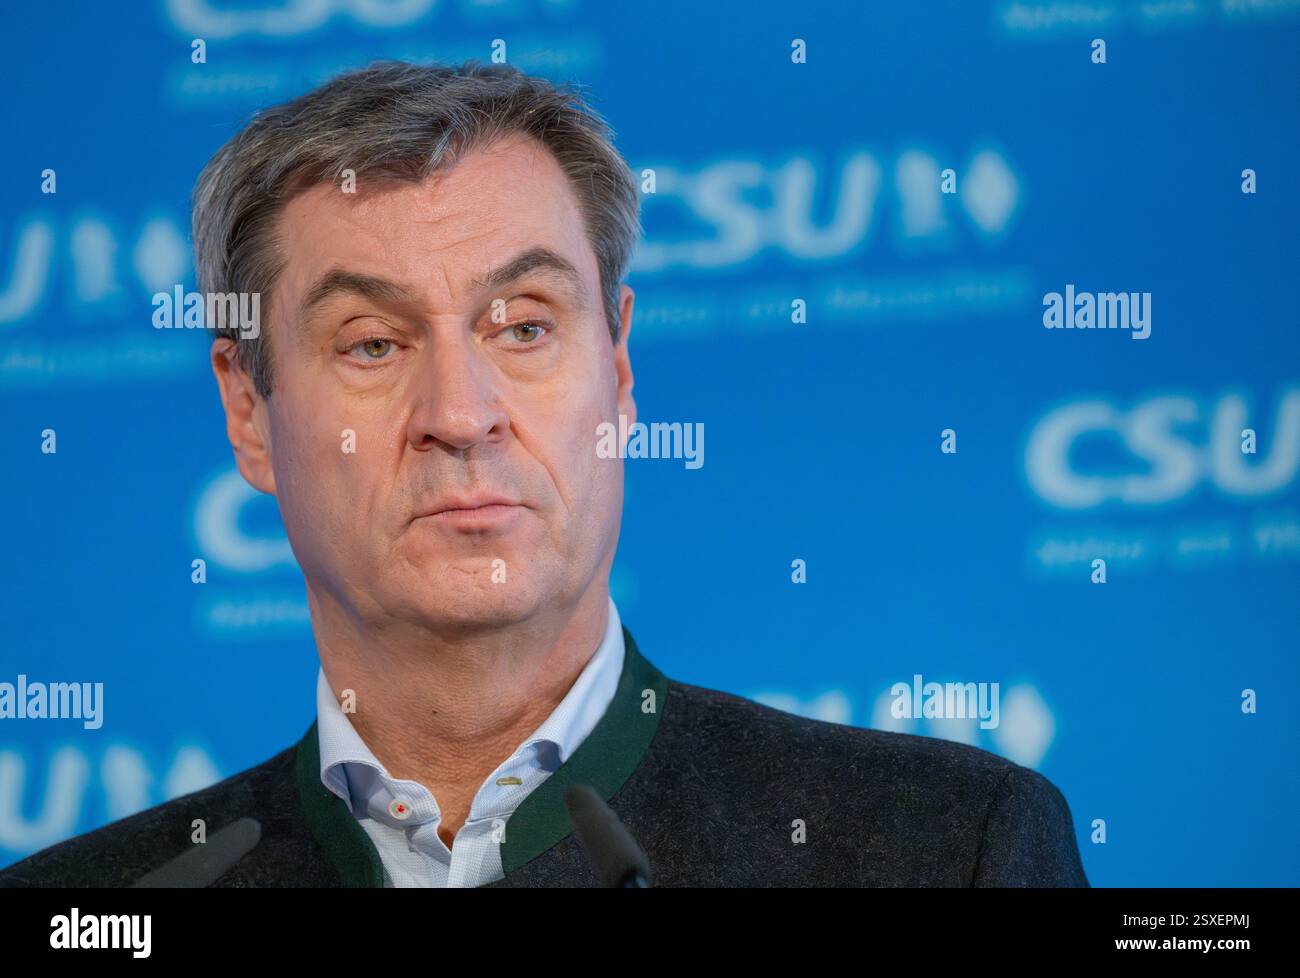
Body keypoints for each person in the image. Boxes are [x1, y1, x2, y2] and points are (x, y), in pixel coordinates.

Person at [0, 61, 1088, 888]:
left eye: (522, 327)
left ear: (616, 371)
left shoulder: (941, 849)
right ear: (248, 408)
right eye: (372, 344)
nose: (461, 416)